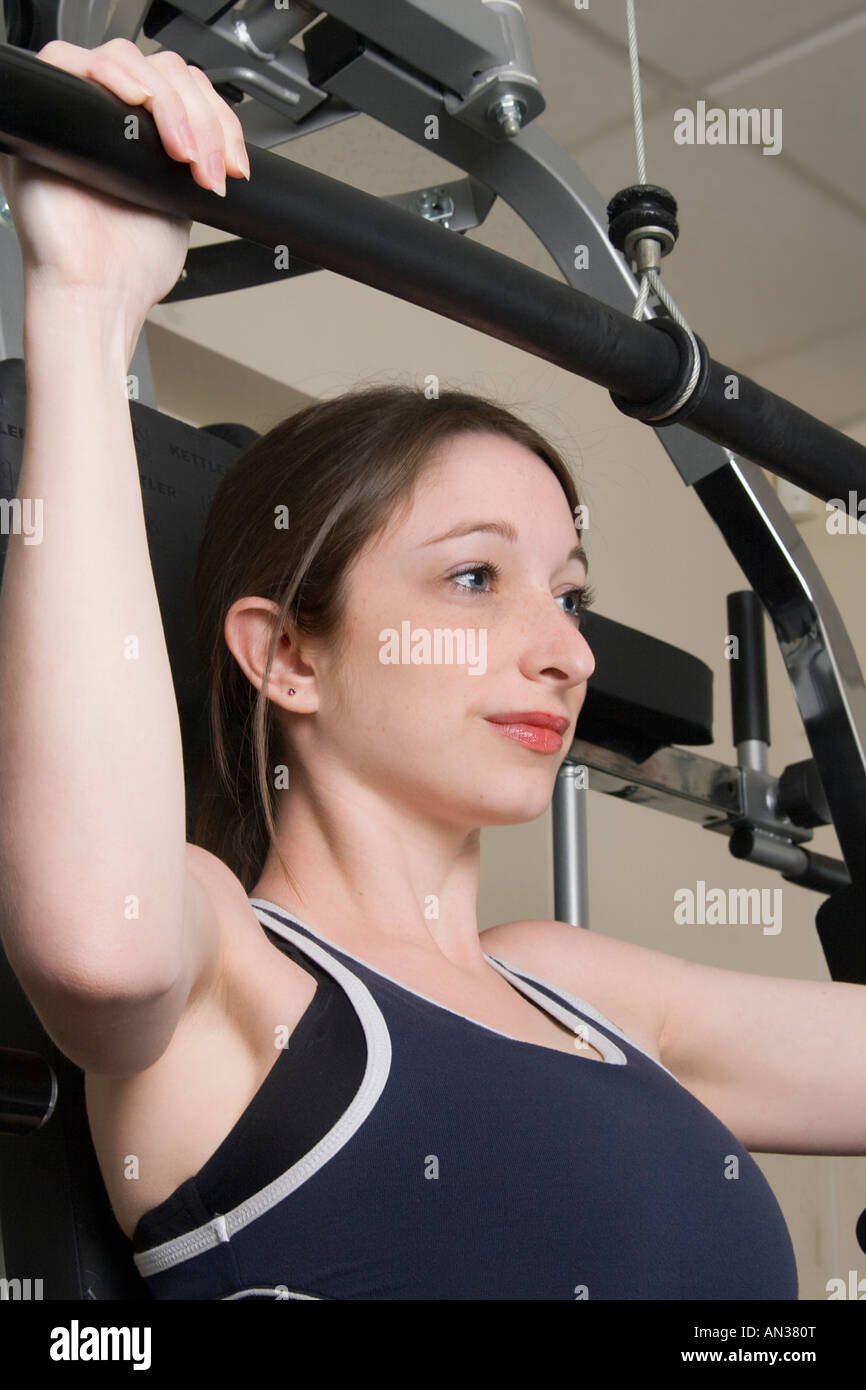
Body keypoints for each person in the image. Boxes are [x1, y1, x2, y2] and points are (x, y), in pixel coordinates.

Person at [5, 36, 848, 1302]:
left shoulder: (581, 986)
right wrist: (83, 300)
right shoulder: (234, 968)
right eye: (473, 578)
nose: (565, 650)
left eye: (569, 595)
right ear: (286, 654)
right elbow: (100, 946)